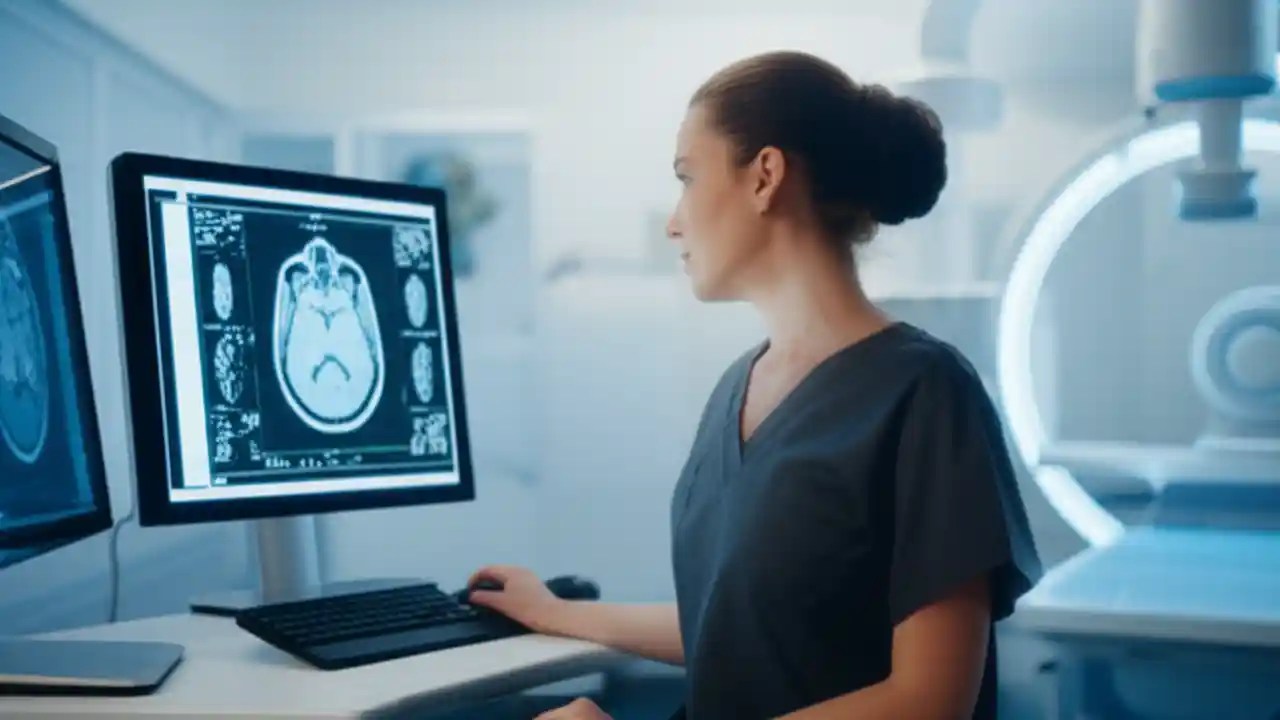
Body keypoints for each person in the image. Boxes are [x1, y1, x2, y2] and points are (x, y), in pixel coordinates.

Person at [467, 50, 1042, 720]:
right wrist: (558, 612)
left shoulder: (925, 394)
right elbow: (743, 634)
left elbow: (928, 700)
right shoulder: (736, 389)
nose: (673, 220)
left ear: (765, 175)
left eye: (687, 177)